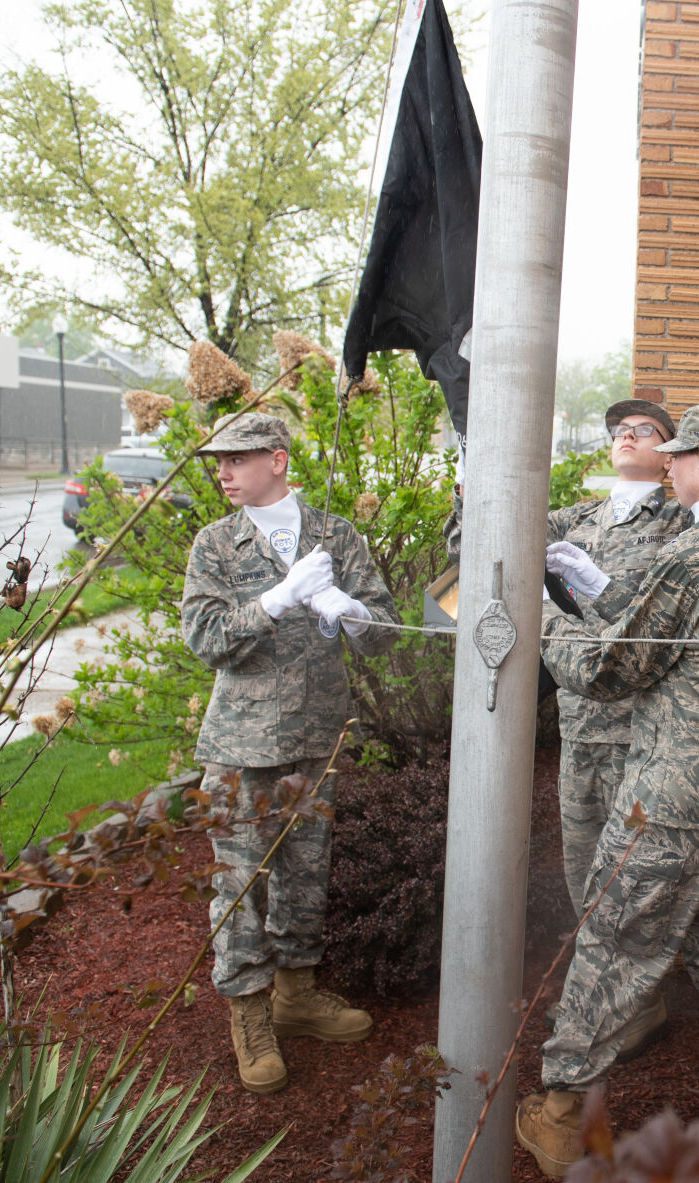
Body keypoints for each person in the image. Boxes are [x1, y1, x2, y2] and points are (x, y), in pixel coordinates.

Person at [449, 362, 699, 1053]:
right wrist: (474, 475)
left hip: (654, 744)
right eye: (619, 429)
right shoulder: (577, 517)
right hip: (591, 728)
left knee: (628, 914)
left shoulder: (688, 525)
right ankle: (645, 1018)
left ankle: (577, 1072)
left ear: (687, 458)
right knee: (595, 878)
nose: (629, 437)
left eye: (650, 433)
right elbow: (478, 549)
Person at [515, 402, 699, 1178]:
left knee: (612, 949)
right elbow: (673, 637)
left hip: (670, 800)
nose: (666, 464)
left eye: (676, 455)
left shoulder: (694, 554)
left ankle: (560, 1113)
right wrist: (594, 587)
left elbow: (610, 671)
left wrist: (540, 614)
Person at [180, 411, 398, 1095]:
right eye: (217, 460)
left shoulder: (335, 535)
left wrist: (347, 608)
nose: (222, 471)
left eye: (236, 458)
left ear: (276, 459)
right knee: (241, 882)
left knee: (306, 871)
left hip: (316, 734)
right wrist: (276, 599)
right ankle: (248, 1010)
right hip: (242, 743)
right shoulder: (215, 543)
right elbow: (206, 637)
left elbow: (384, 632)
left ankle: (295, 995)